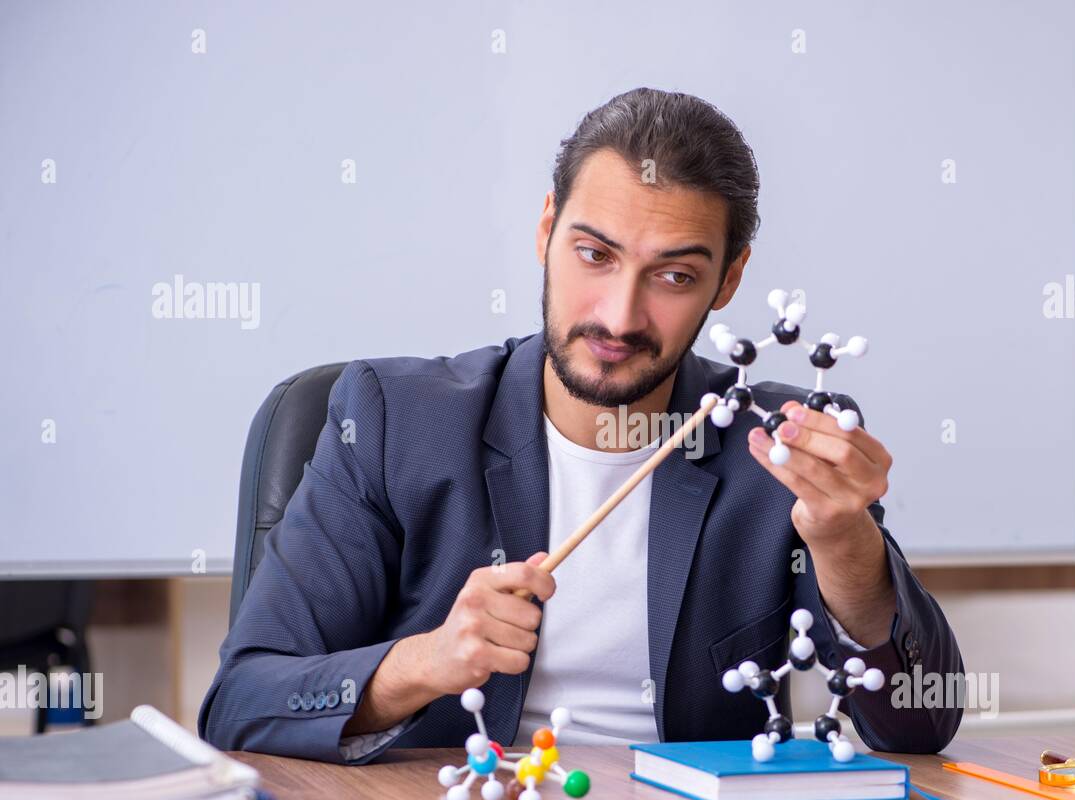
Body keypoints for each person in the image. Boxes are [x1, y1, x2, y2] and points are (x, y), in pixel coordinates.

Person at [199, 87, 964, 764]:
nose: (619, 315)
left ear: (728, 280)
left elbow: (922, 724)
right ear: (545, 229)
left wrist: (846, 546)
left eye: (673, 276)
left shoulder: (778, 442)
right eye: (594, 253)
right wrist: (425, 661)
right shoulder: (393, 419)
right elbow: (240, 705)